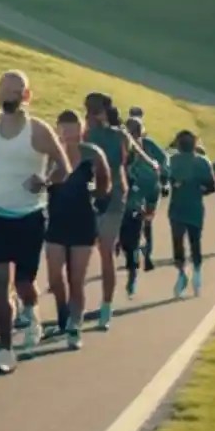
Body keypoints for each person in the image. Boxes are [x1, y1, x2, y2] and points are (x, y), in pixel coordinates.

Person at [0, 70, 69, 374]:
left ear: (26, 96)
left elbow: (63, 167)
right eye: (5, 90)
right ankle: (5, 349)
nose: (10, 96)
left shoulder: (37, 130)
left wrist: (43, 180)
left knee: (24, 283)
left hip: (30, 216)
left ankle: (31, 311)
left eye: (17, 91)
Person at [83, 92, 157, 331]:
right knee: (87, 249)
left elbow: (144, 159)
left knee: (105, 249)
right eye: (87, 109)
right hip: (91, 196)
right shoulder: (86, 134)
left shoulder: (117, 135)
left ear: (104, 111)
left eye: (93, 110)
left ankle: (106, 306)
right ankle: (81, 306)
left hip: (115, 197)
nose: (89, 114)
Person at [44, 111, 110, 350]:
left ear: (82, 129)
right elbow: (41, 181)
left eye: (73, 128)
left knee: (77, 279)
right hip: (57, 221)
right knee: (54, 277)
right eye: (64, 128)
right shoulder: (50, 154)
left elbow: (105, 181)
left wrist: (96, 198)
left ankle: (75, 325)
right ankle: (63, 312)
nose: (69, 133)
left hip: (83, 221)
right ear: (58, 129)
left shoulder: (92, 153)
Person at [167, 130, 215, 298]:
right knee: (195, 242)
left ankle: (182, 274)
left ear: (179, 145)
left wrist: (175, 185)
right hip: (195, 208)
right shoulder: (203, 162)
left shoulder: (172, 161)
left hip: (177, 209)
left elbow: (166, 182)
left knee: (178, 243)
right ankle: (196, 274)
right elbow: (212, 187)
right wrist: (198, 190)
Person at [120, 117, 161, 299]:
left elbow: (153, 183)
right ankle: (137, 258)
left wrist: (150, 208)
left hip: (134, 209)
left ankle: (132, 275)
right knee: (124, 244)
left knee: (131, 245)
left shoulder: (146, 166)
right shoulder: (115, 155)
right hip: (115, 208)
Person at [124, 114, 169, 271]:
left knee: (135, 219)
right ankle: (147, 254)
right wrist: (164, 178)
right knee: (147, 222)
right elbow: (164, 158)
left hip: (136, 188)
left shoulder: (125, 145)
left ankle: (136, 252)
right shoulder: (148, 143)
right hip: (151, 187)